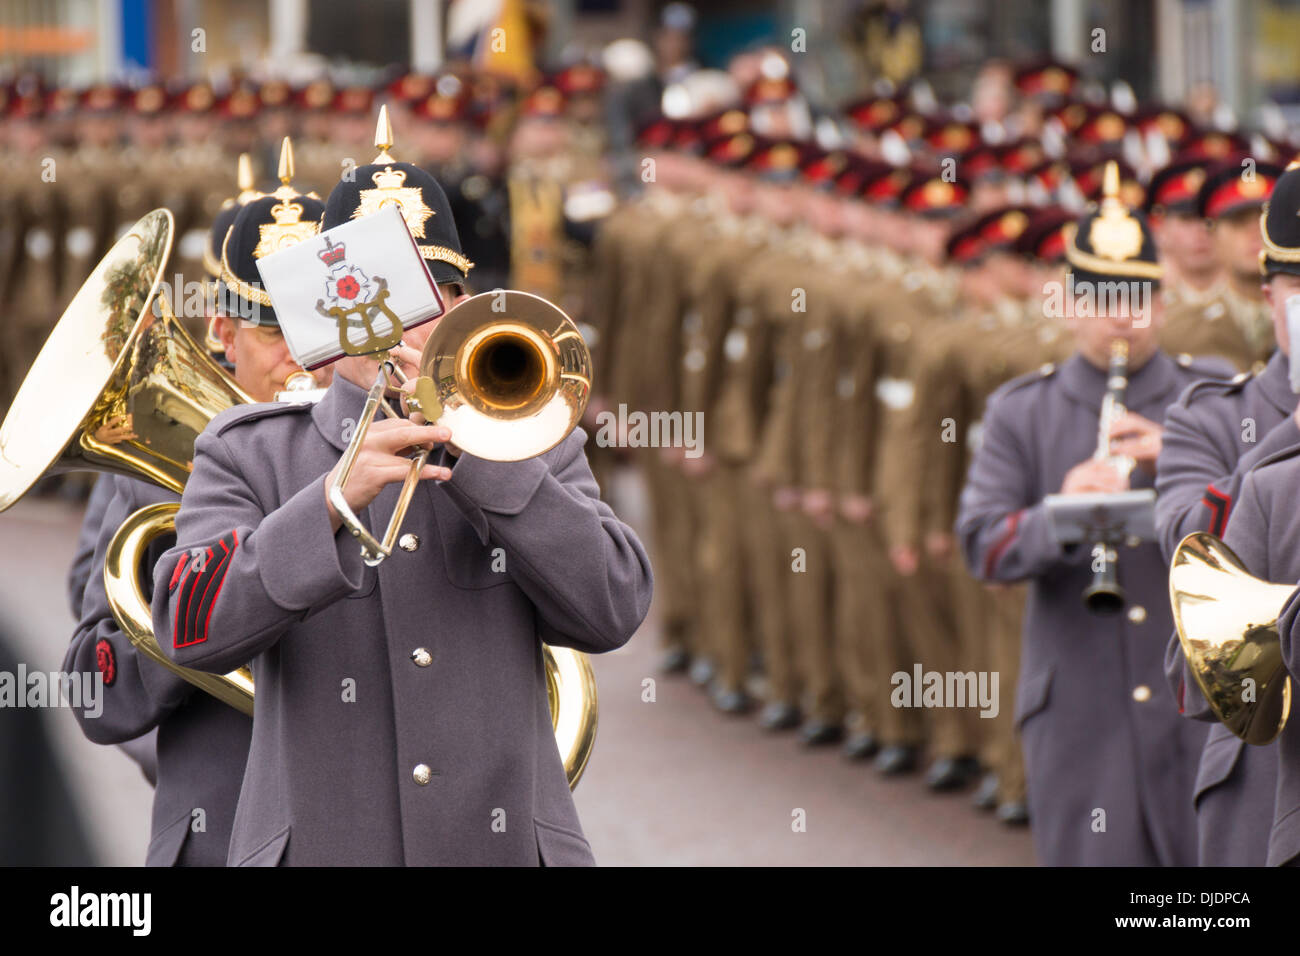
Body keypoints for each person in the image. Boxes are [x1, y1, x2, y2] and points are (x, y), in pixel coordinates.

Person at [152, 122, 653, 866]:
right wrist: (328, 503)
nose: (402, 323)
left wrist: (484, 457)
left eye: (430, 295)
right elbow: (190, 629)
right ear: (329, 309)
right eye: (377, 290)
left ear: (462, 309)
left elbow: (614, 604)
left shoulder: (534, 437)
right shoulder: (249, 451)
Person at [64, 140, 325, 866]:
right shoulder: (157, 474)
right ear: (222, 332)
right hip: (224, 828)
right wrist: (195, 619)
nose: (302, 361)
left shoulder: (399, 460)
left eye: (320, 334)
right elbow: (94, 691)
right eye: (275, 333)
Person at [955, 163, 1223, 865]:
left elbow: (1272, 526)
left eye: (1137, 296)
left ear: (1162, 304)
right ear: (1067, 303)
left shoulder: (1215, 397)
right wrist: (1065, 511)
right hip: (1080, 714)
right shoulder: (1024, 409)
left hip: (1199, 705)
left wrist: (1180, 457)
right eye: (1102, 297)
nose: (1122, 316)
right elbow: (982, 546)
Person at [1156, 160, 1300, 865]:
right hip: (1266, 756)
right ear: (1270, 291)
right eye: (1299, 287)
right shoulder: (1213, 417)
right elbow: (1189, 545)